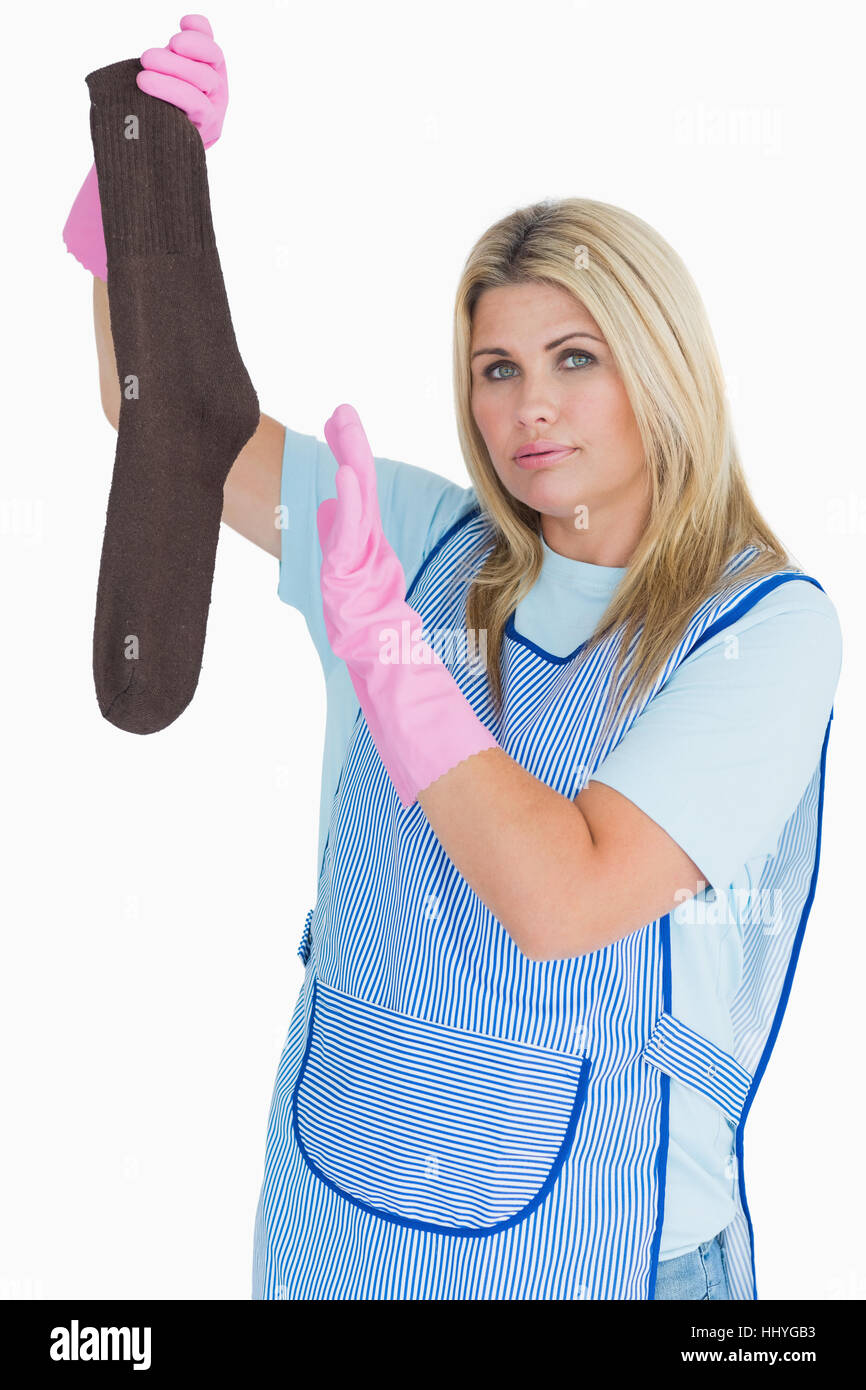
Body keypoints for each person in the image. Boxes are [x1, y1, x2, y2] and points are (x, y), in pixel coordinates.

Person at [72, 22, 841, 1302]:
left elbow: (563, 901)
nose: (527, 406)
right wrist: (139, 213)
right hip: (334, 1226)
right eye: (496, 368)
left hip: (607, 1255)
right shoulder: (421, 541)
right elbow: (170, 420)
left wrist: (387, 650)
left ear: (662, 367)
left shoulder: (761, 631)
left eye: (572, 360)